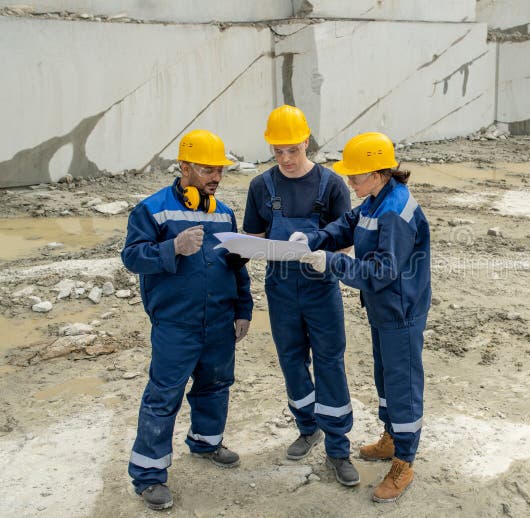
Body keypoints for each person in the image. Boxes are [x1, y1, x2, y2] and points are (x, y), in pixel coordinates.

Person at [294, 131, 431, 503]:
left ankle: (404, 461)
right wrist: (312, 240)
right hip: (384, 307)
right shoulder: (375, 200)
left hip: (401, 310)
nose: (349, 182)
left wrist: (333, 262)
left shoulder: (395, 211)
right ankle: (392, 437)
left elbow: (383, 271)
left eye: (354, 175)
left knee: (403, 384)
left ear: (378, 173)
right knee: (385, 375)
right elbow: (347, 224)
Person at [122, 129, 253, 511]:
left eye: (220, 170)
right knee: (163, 396)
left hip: (219, 323)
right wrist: (173, 247)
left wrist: (243, 309)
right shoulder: (153, 210)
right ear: (184, 167)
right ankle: (148, 476)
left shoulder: (223, 212)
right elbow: (132, 257)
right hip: (176, 325)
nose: (216, 177)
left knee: (215, 386)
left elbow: (236, 267)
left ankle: (206, 442)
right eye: (208, 169)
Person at [242, 105, 358, 486]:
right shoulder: (261, 187)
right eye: (278, 151)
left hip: (320, 286)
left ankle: (338, 448)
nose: (286, 159)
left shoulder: (332, 186)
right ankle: (308, 427)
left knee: (329, 362)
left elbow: (346, 244)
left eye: (292, 149)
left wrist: (318, 252)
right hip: (280, 288)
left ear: (306, 141)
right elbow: (254, 239)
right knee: (291, 360)